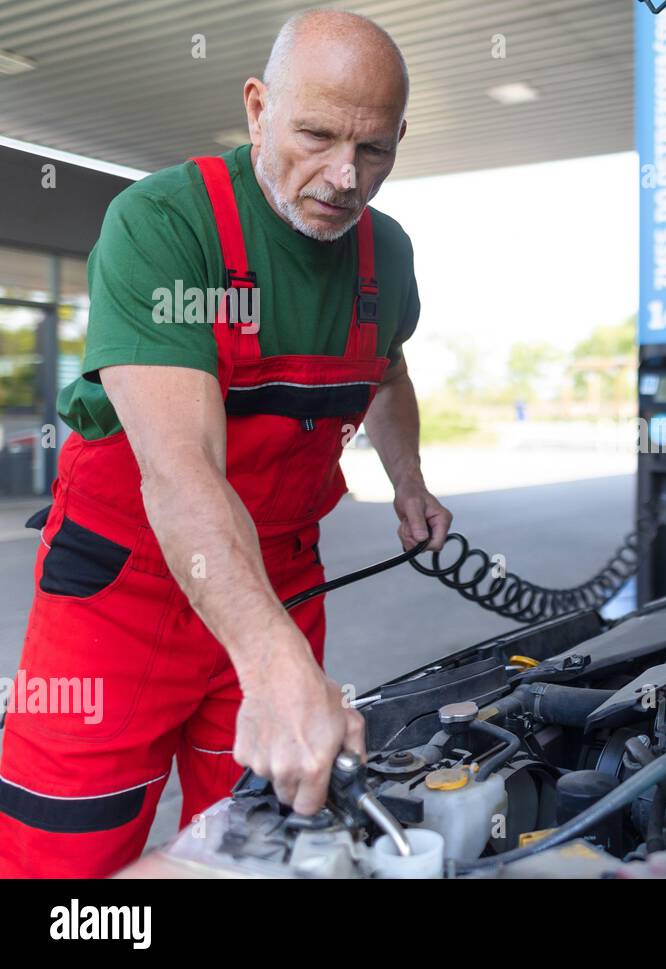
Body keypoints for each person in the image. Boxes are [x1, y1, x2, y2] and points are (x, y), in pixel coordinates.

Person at [0, 9, 450, 877]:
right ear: (256, 107)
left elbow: (386, 371)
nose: (343, 177)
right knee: (62, 857)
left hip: (279, 580)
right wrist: (276, 663)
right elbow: (180, 468)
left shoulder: (386, 255)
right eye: (315, 135)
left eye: (375, 151)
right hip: (122, 594)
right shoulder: (165, 225)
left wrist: (409, 482)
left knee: (260, 845)